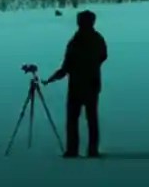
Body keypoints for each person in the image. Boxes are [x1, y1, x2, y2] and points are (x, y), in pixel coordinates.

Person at [43, 9, 108, 158]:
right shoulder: (97, 39)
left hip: (78, 86)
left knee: (74, 119)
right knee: (91, 119)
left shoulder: (76, 41)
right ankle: (91, 150)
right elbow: (103, 56)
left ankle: (73, 149)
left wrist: (55, 76)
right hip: (91, 84)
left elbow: (67, 65)